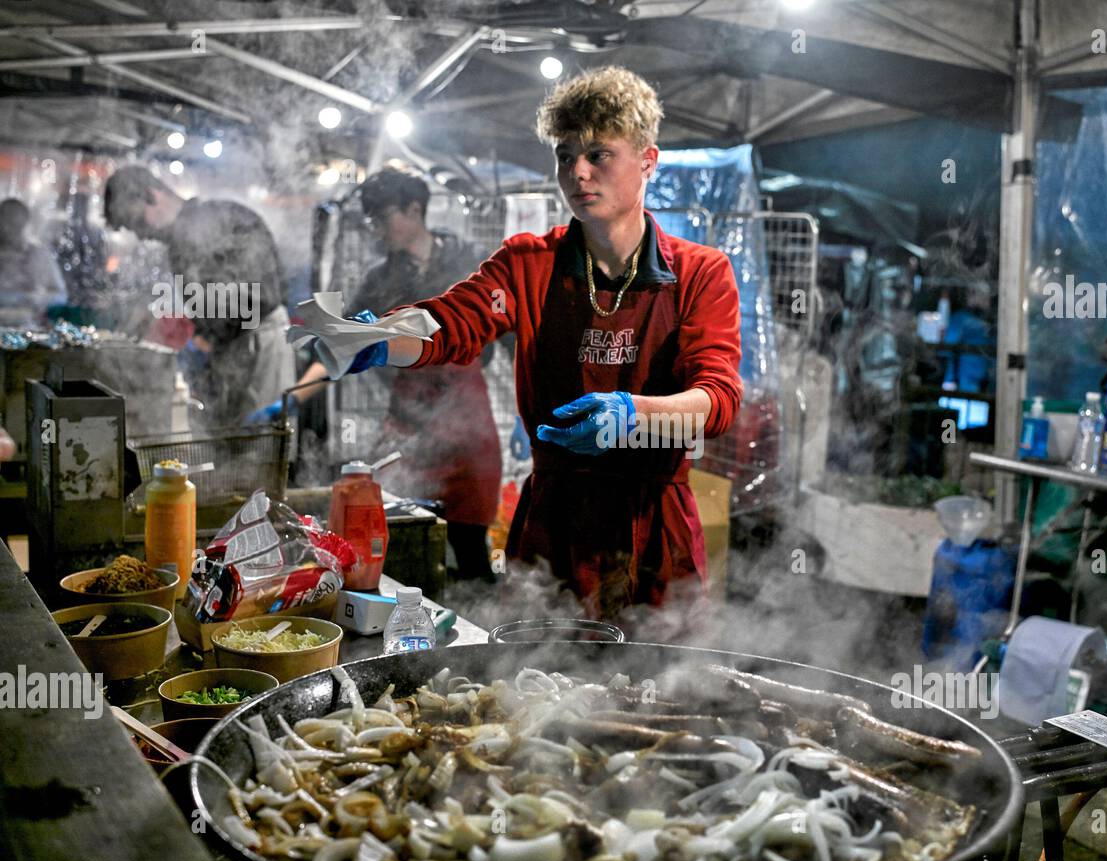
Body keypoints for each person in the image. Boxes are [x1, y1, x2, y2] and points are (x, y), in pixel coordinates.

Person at [297, 67, 743, 622]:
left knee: (661, 695)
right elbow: (455, 322)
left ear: (648, 161)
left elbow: (718, 401)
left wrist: (632, 415)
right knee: (537, 689)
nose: (577, 172)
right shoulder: (529, 262)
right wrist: (380, 337)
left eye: (599, 154)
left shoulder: (701, 272)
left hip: (653, 524)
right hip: (555, 521)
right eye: (564, 156)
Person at [258, 168, 503, 580]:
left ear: (414, 209)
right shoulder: (381, 279)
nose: (375, 230)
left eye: (382, 218)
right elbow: (340, 346)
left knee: (472, 547)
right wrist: (292, 398)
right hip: (409, 423)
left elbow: (510, 331)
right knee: (403, 539)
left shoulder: (470, 261)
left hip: (469, 424)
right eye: (369, 221)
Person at [103, 166, 293, 428]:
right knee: (230, 445)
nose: (140, 234)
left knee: (263, 446)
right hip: (232, 347)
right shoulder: (179, 243)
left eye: (137, 222)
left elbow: (258, 297)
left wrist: (202, 332)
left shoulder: (217, 219)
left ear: (151, 195)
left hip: (258, 342)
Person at [0, 198, 67, 326]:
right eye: (5, 221)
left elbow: (60, 295)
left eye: (15, 223)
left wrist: (37, 299)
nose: (8, 229)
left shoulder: (39, 254)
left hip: (29, 328)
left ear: (24, 223)